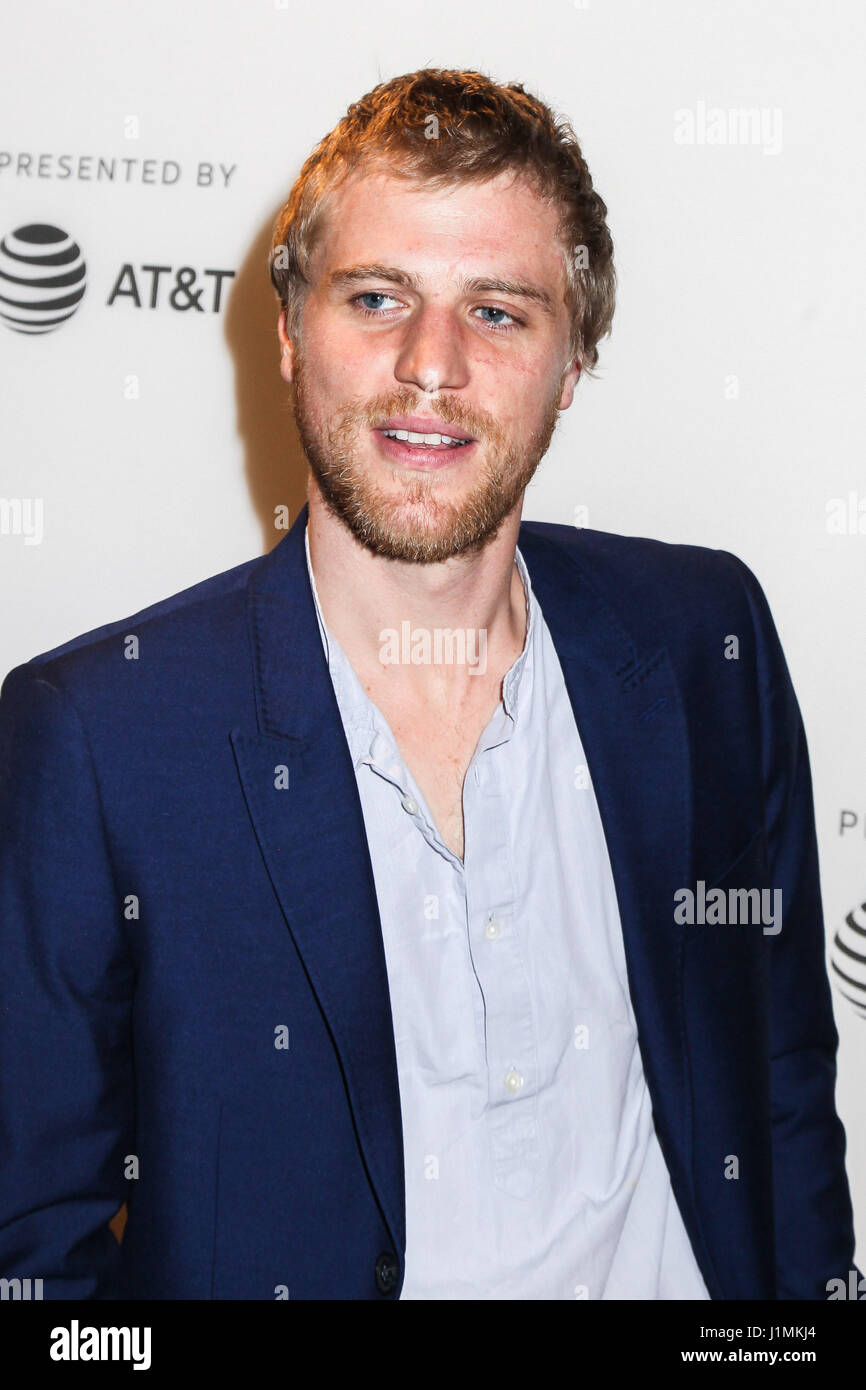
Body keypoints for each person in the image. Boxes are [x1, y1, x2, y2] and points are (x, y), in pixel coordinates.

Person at [0, 68, 856, 1300]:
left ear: (572, 365)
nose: (430, 364)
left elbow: (777, 1087)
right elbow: (36, 1257)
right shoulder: (103, 735)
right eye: (376, 296)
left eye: (498, 311)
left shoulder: (700, 642)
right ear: (290, 331)